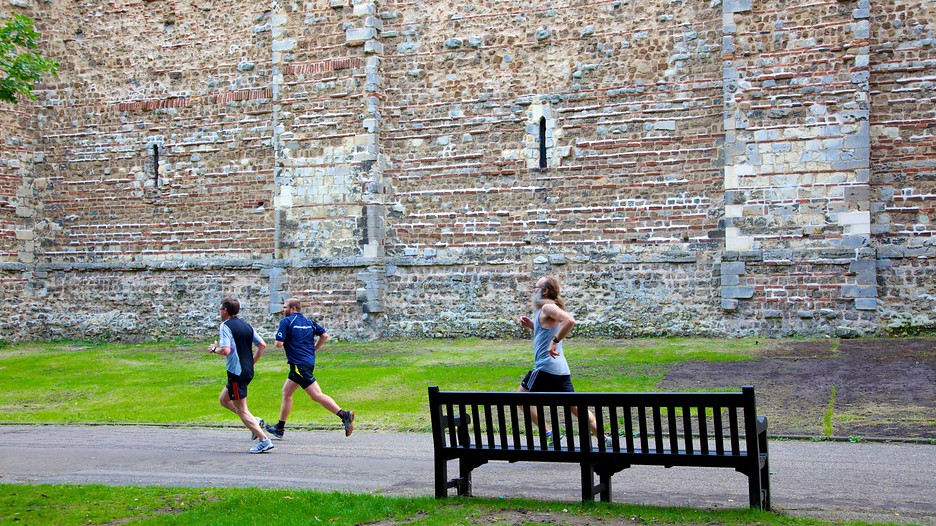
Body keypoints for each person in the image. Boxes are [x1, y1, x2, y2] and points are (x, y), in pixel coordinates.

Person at [518, 275, 606, 447]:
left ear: (544, 291)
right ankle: (603, 438)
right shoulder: (545, 310)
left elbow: (570, 321)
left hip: (546, 368)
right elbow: (547, 332)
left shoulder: (548, 307)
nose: (533, 291)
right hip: (560, 370)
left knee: (521, 398)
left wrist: (555, 342)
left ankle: (549, 433)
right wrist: (532, 326)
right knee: (576, 408)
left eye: (536, 288)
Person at [264, 298, 354, 440]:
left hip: (299, 364)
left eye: (285, 307)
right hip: (306, 362)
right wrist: (313, 350)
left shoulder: (286, 322)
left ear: (293, 308)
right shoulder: (308, 322)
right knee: (286, 392)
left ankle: (344, 415)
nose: (282, 309)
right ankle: (279, 428)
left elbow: (278, 344)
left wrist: (284, 339)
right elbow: (324, 335)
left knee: (316, 395)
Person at [208, 296, 273, 454]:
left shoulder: (225, 326)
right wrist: (251, 362)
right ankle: (256, 421)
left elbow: (226, 350)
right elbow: (262, 345)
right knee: (224, 400)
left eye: (220, 309)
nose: (219, 312)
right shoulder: (246, 325)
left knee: (242, 410)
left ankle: (264, 440)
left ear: (225, 311)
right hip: (246, 371)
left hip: (237, 373)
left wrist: (213, 349)